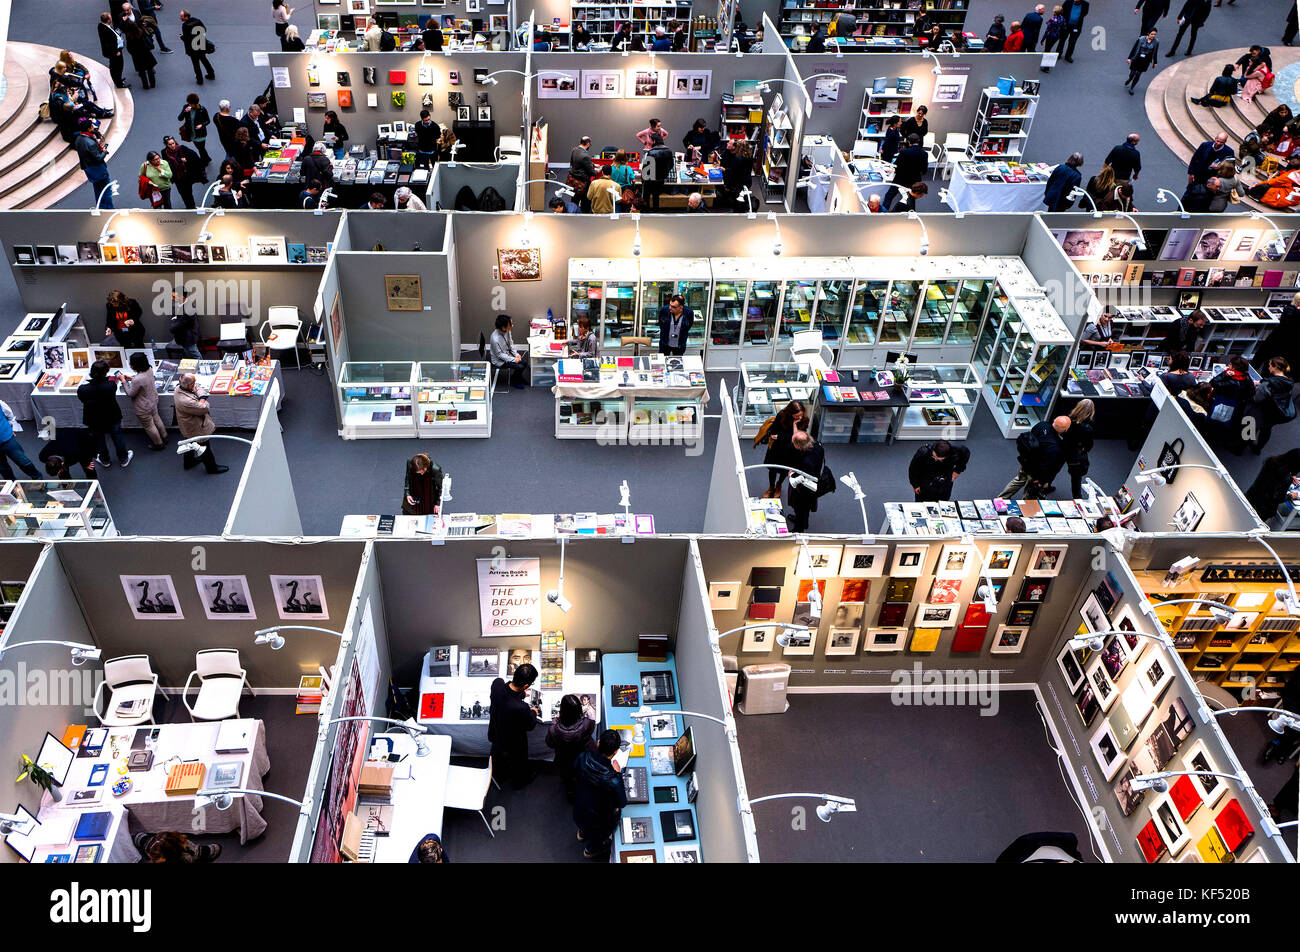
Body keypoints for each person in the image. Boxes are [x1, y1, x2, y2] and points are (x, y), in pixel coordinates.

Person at [573, 729, 627, 860]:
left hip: (580, 809)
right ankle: (590, 850)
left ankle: (582, 833)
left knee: (585, 826)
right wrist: (618, 773)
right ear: (615, 752)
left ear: (598, 743)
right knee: (596, 839)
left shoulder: (583, 757)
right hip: (599, 820)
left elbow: (575, 771)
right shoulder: (613, 779)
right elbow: (622, 803)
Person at [489, 662, 540, 789]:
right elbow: (529, 725)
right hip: (513, 741)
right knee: (519, 763)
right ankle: (520, 782)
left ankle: (499, 775)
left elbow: (504, 695)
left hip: (495, 733)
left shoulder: (497, 684)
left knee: (499, 758)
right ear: (526, 685)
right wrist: (533, 712)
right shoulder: (521, 707)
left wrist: (521, 693)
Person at [78, 360, 132, 469]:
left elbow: (82, 400)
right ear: (106, 372)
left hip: (94, 419)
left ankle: (105, 460)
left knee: (99, 439)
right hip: (112, 416)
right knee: (117, 436)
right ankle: (123, 459)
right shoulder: (111, 385)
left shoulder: (83, 389)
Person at [1000, 416, 1070, 499]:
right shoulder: (1055, 447)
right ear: (1065, 430)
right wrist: (1041, 481)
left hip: (1026, 462)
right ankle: (1027, 507)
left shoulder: (1042, 425)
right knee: (1029, 493)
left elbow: (1032, 434)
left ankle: (1001, 498)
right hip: (1035, 473)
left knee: (1018, 481)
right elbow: (1046, 467)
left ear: (1054, 420)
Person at [173, 374, 228, 474]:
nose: (195, 385)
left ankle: (189, 462)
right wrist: (202, 399)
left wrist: (201, 397)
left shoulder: (179, 388)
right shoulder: (186, 400)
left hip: (187, 424)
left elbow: (197, 387)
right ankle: (212, 468)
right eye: (193, 383)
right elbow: (204, 408)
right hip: (195, 426)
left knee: (189, 442)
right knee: (204, 445)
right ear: (188, 385)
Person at [547, 694, 596, 800]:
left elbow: (550, 744)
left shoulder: (554, 729)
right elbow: (591, 729)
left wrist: (555, 722)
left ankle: (570, 792)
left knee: (567, 776)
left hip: (563, 758)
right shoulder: (587, 724)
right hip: (583, 755)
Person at [1244, 356, 1295, 454]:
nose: (1268, 368)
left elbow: (1257, 398)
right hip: (1276, 412)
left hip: (1263, 411)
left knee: (1250, 426)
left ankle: (1243, 446)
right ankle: (1258, 448)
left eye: (1270, 365)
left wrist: (1258, 387)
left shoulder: (1268, 383)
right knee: (1266, 431)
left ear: (1275, 367)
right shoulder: (1289, 381)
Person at [755, 400, 805, 498]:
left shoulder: (802, 420)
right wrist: (786, 437)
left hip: (790, 450)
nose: (800, 417)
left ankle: (779, 485)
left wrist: (794, 426)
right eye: (797, 416)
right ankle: (771, 487)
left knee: (784, 470)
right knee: (772, 469)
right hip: (777, 448)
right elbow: (774, 431)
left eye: (801, 415)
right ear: (791, 413)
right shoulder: (781, 416)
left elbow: (798, 438)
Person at [1208, 355, 1255, 453]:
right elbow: (1252, 392)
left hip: (1223, 403)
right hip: (1238, 405)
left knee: (1217, 421)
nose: (1228, 365)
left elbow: (1212, 383)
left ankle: (1212, 439)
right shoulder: (1247, 377)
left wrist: (1223, 375)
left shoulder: (1232, 380)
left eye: (1230, 364)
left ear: (1234, 367)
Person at [122, 352, 166, 450]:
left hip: (143, 407)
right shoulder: (149, 369)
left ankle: (158, 444)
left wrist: (124, 381)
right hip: (153, 401)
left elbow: (130, 393)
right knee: (156, 418)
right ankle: (164, 437)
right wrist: (132, 378)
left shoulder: (137, 379)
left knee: (149, 426)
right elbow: (143, 382)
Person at [785, 430, 826, 533]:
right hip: (814, 478)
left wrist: (791, 473)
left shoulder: (806, 462)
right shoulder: (817, 446)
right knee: (801, 508)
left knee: (801, 508)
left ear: (798, 445)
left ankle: (799, 528)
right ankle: (800, 520)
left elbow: (802, 476)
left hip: (805, 489)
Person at [1245, 449, 1300, 523]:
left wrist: (1291, 475)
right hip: (1262, 510)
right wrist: (1291, 496)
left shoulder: (1271, 461)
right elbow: (1277, 498)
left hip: (1251, 496)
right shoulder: (1286, 478)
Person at [1255, 291, 1300, 373]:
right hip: (1287, 341)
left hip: (1277, 338)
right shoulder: (1294, 313)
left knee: (1267, 357)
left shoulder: (1288, 309)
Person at [75, 120, 113, 208]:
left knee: (98, 190)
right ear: (88, 129)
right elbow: (98, 158)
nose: (94, 127)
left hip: (89, 168)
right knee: (106, 190)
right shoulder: (90, 142)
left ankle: (100, 207)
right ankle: (109, 209)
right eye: (92, 126)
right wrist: (104, 151)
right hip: (98, 169)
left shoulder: (78, 139)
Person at [161, 135, 203, 210]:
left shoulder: (182, 148)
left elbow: (193, 156)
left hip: (186, 175)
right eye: (170, 144)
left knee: (189, 193)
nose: (172, 145)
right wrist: (179, 160)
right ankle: (189, 206)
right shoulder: (164, 152)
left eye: (173, 143)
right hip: (177, 177)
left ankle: (192, 207)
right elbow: (167, 163)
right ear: (166, 145)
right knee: (182, 193)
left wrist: (186, 160)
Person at [1064, 399, 1096, 498]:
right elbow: (1089, 444)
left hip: (1064, 447)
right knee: (1076, 477)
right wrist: (1083, 450)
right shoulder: (1087, 428)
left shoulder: (1068, 419)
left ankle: (1047, 485)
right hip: (1075, 453)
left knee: (1055, 467)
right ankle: (1077, 497)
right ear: (1091, 411)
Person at [0, 402, 39, 481]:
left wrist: (10, 428)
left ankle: (37, 478)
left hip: (7, 439)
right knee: (2, 468)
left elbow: (10, 415)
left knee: (22, 461)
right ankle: (12, 484)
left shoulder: (0, 403)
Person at [888, 134, 928, 211]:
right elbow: (924, 170)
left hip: (900, 179)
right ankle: (911, 212)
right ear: (918, 142)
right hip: (914, 181)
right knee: (911, 198)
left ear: (909, 142)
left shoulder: (904, 152)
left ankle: (884, 212)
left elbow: (896, 165)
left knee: (889, 196)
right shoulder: (924, 154)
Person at [489, 314, 529, 388]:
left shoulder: (507, 330)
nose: (512, 325)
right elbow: (500, 355)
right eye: (511, 324)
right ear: (503, 327)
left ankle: (518, 377)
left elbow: (511, 344)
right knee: (519, 367)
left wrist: (516, 354)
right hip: (499, 360)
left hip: (507, 354)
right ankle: (514, 381)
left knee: (525, 363)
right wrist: (514, 359)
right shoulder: (495, 339)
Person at [179, 10, 216, 86]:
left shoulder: (185, 25)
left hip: (193, 48)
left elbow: (187, 38)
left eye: (181, 16)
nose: (180, 17)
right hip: (201, 44)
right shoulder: (197, 20)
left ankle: (200, 80)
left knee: (196, 64)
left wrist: (181, 37)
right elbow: (204, 29)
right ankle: (211, 74)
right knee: (204, 59)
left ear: (186, 17)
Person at [132, 831, 221, 863]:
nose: (151, 861)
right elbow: (140, 838)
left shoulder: (188, 855)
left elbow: (216, 848)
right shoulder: (150, 845)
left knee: (202, 852)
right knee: (140, 838)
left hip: (191, 853)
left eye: (155, 859)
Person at [641, 132, 673, 212]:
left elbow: (645, 170)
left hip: (650, 180)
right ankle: (656, 213)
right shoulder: (668, 151)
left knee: (646, 198)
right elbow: (671, 165)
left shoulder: (651, 152)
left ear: (654, 141)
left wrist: (642, 178)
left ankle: (646, 213)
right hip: (661, 179)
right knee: (656, 197)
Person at [178, 93, 212, 164]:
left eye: (191, 103)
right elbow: (180, 118)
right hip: (191, 133)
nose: (189, 105)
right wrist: (185, 111)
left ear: (195, 103)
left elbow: (208, 120)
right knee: (200, 148)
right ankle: (207, 159)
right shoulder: (186, 107)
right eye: (189, 103)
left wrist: (201, 125)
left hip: (200, 133)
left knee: (201, 148)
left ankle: (204, 161)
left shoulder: (202, 109)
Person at [1125, 28, 1159, 96]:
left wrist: (1155, 62)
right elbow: (1134, 49)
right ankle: (1130, 78)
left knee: (1138, 74)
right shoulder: (1140, 39)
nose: (1153, 36)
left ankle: (1132, 87)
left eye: (1154, 34)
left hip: (1145, 61)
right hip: (1137, 58)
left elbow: (1155, 52)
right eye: (1152, 34)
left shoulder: (1156, 42)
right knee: (1133, 73)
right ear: (1148, 34)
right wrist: (1129, 58)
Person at [98, 12, 129, 88]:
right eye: (110, 18)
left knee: (117, 66)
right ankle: (119, 83)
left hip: (114, 50)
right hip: (114, 52)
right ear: (108, 20)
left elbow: (116, 33)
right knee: (117, 67)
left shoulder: (103, 26)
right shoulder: (106, 30)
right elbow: (108, 44)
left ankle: (118, 79)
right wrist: (116, 51)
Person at [124, 21, 157, 90]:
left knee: (142, 71)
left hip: (137, 55)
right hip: (145, 52)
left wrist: (132, 53)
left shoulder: (129, 36)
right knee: (150, 68)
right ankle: (153, 84)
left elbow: (129, 47)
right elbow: (146, 41)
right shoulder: (140, 32)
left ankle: (145, 85)